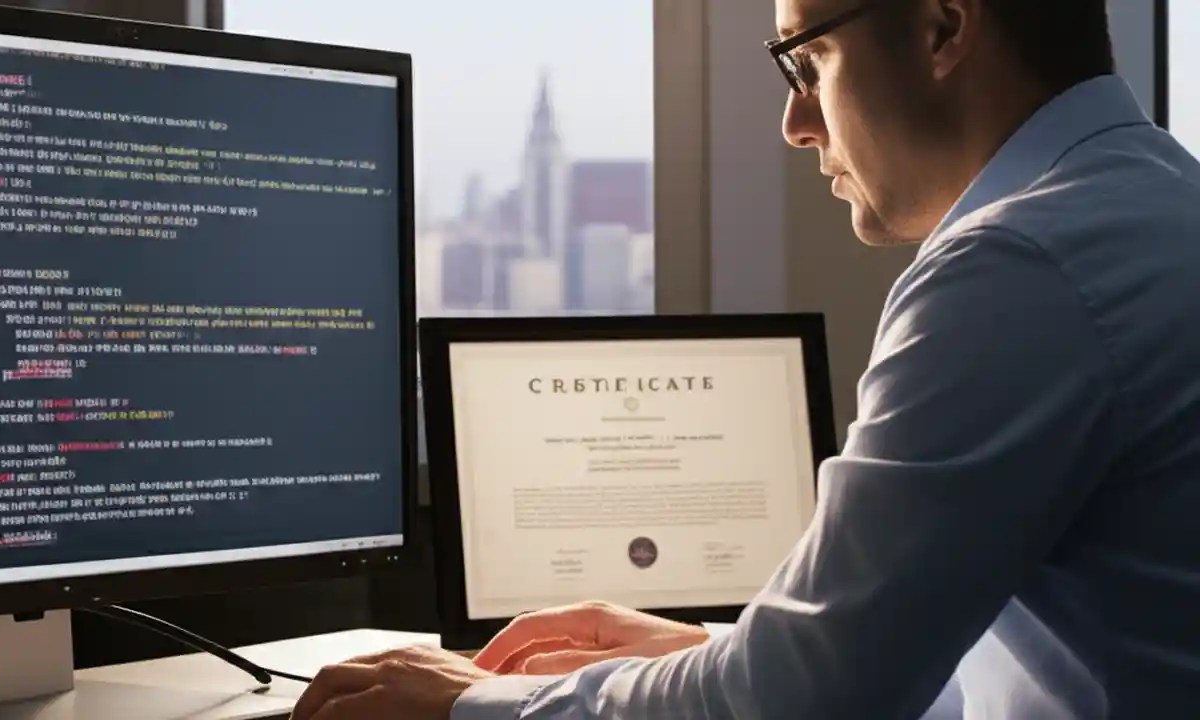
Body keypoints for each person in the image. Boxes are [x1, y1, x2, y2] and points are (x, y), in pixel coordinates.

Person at [292, 0, 1200, 717]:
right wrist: (721, 654)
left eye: (806, 60)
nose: (795, 122)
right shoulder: (1157, 203)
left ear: (942, 27)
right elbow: (962, 682)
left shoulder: (1017, 268)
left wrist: (474, 705)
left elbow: (802, 703)